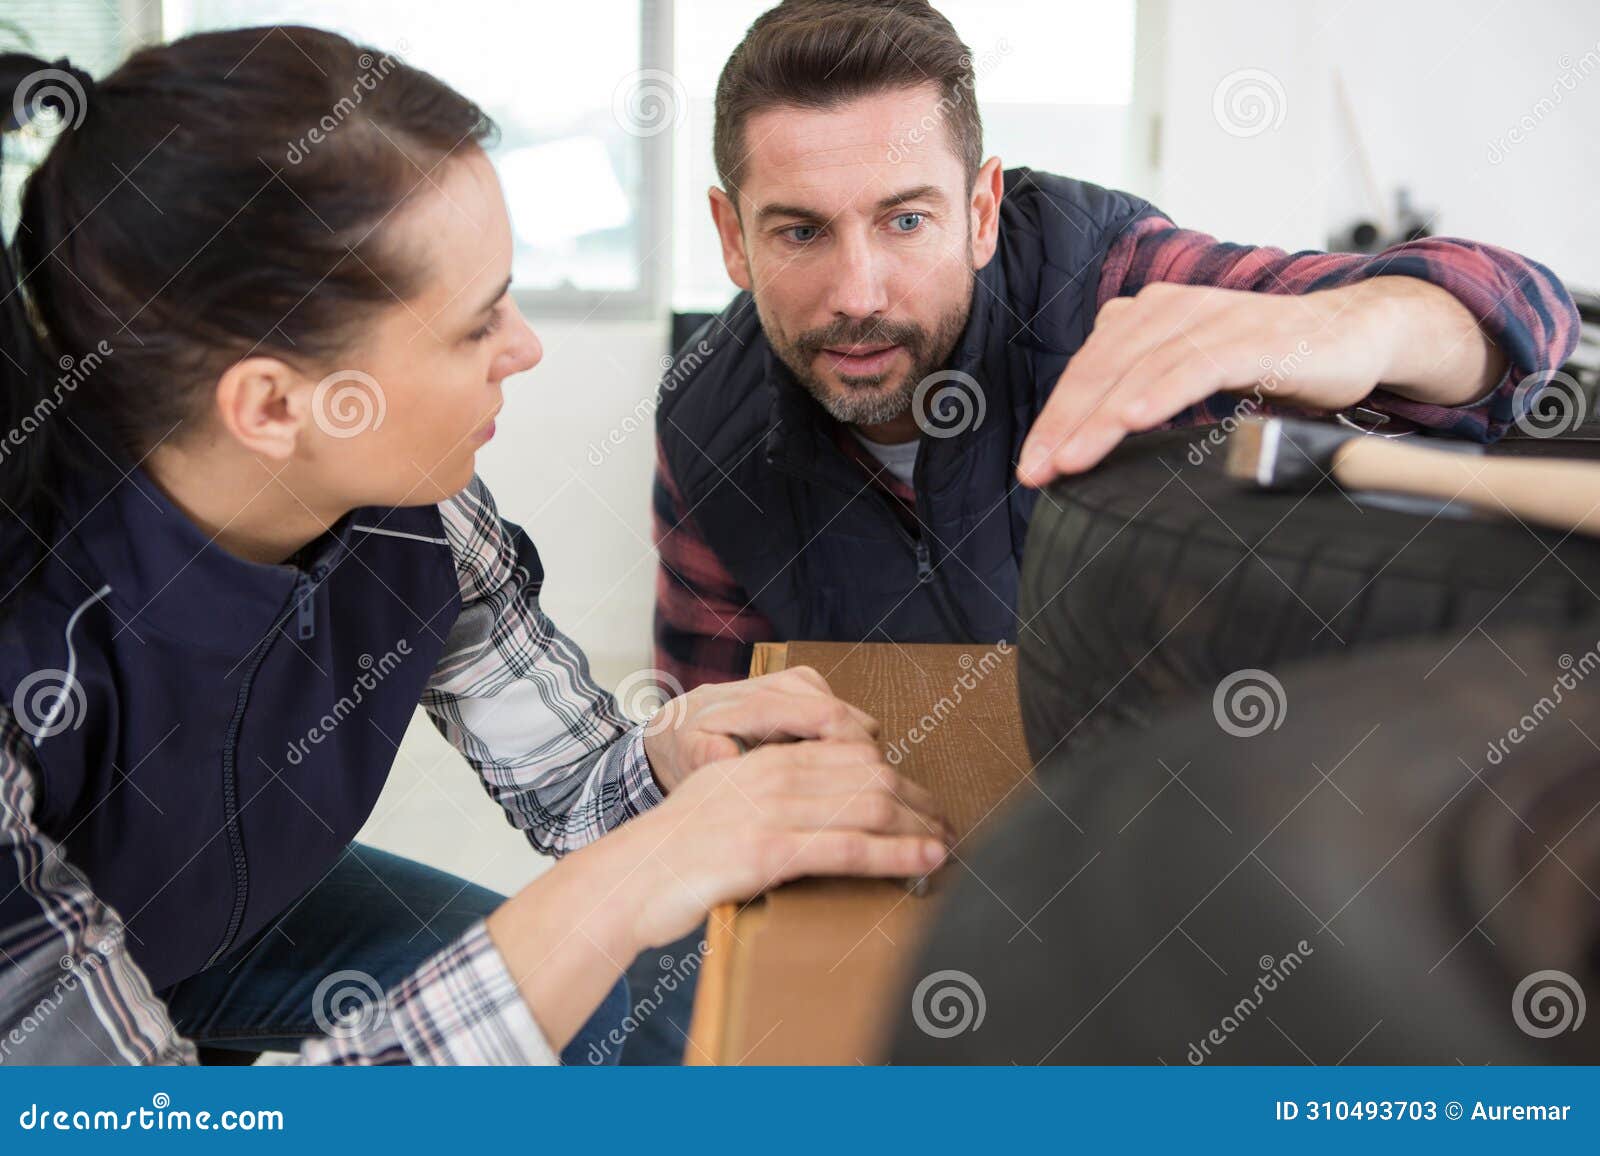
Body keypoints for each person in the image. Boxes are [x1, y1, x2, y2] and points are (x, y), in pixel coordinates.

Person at [630, 0, 1579, 1065]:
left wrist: (1349, 322)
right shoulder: (703, 419)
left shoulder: (1106, 280)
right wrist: (693, 749)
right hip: (911, 868)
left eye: (906, 221)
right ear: (731, 237)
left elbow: (1524, 315)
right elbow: (720, 720)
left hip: (1190, 847)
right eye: (800, 230)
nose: (859, 293)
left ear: (982, 209)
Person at [0, 27, 951, 1066]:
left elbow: (571, 784)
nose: (526, 346)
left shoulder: (418, 511)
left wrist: (671, 758)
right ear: (272, 404)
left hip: (218, 928)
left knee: (643, 1019)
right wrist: (624, 886)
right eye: (475, 323)